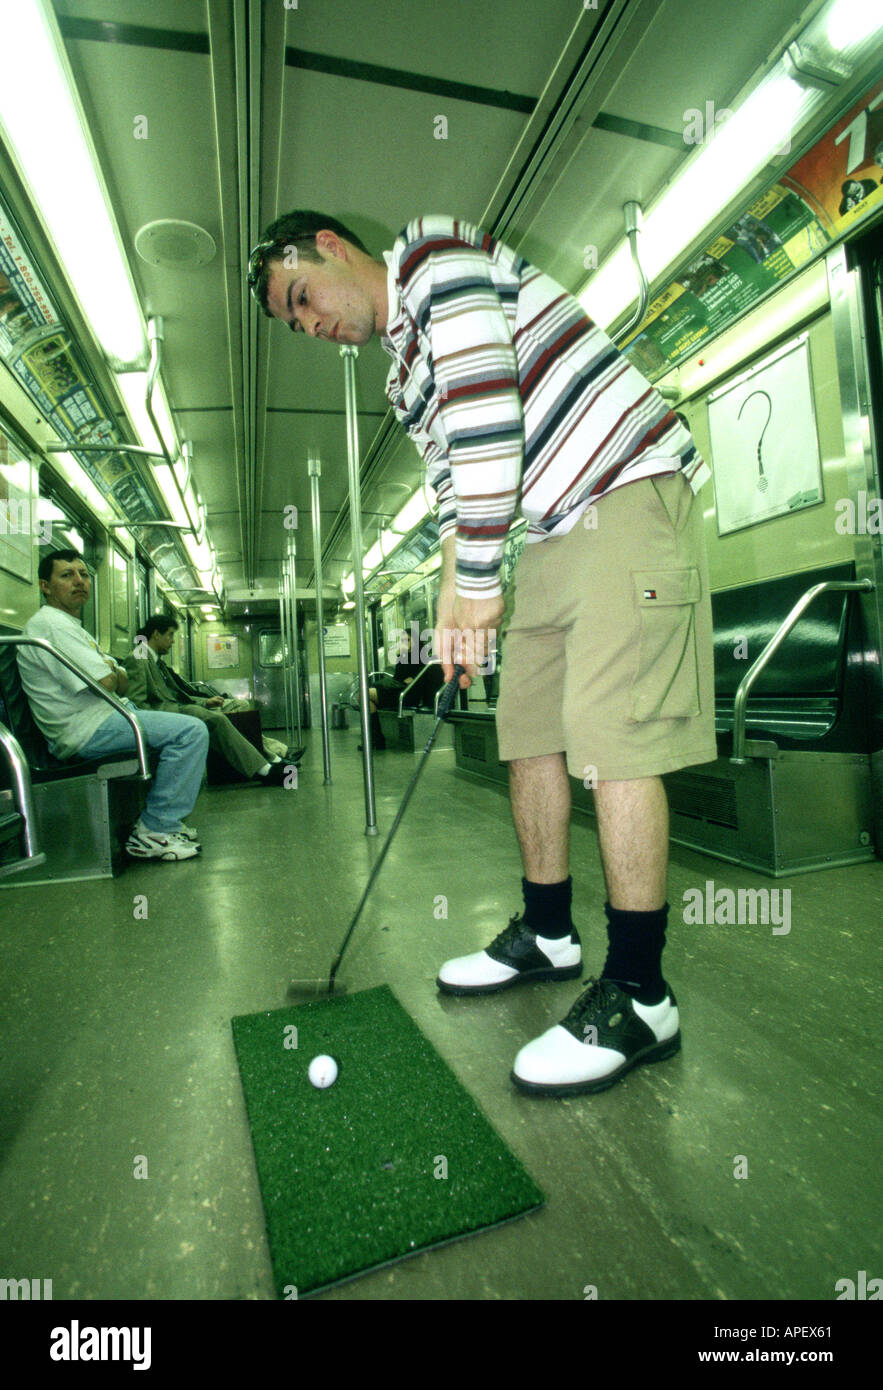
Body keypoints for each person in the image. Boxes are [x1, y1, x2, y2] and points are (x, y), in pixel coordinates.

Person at [248, 212, 718, 1098]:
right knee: (525, 730)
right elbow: (453, 482)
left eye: (300, 297)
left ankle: (639, 990)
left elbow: (489, 404)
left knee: (614, 744)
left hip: (622, 489)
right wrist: (452, 600)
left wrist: (474, 578)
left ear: (331, 245)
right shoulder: (401, 378)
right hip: (543, 533)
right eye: (293, 323)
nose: (307, 324)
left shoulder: (435, 259)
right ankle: (547, 931)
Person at [17, 551, 208, 862]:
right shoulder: (52, 625)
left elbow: (115, 678)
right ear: (45, 586)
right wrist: (113, 671)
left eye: (84, 574)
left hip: (104, 717)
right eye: (66, 575)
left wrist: (113, 672)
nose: (79, 581)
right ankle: (154, 829)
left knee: (188, 726)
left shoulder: (69, 625)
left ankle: (163, 820)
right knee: (191, 730)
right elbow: (108, 681)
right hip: (85, 729)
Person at [123, 615, 303, 783]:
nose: (172, 641)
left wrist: (204, 702)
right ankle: (264, 770)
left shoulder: (157, 662)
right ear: (155, 634)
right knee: (216, 719)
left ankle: (274, 757)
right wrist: (165, 719)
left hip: (179, 707)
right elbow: (138, 703)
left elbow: (176, 693)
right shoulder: (139, 658)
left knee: (238, 712)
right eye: (170, 635)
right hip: (168, 713)